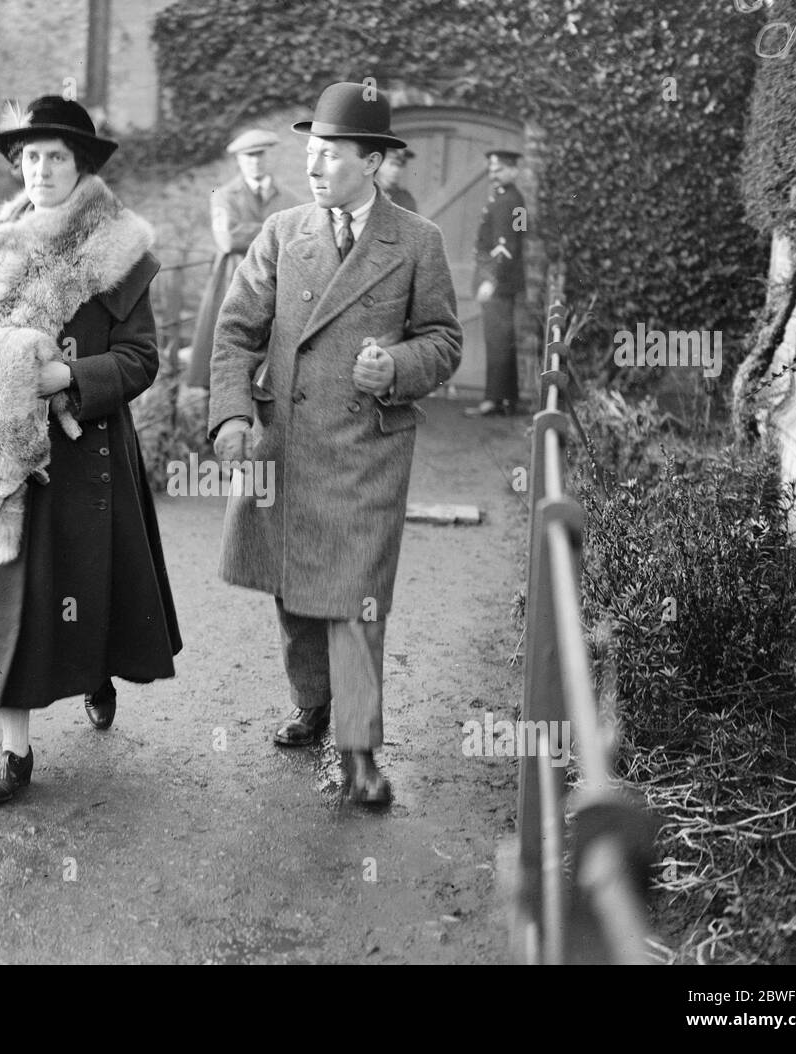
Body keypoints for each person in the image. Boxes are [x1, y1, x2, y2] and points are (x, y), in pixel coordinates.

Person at [207, 82, 462, 806]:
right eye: (310, 152)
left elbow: (444, 342)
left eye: (330, 154)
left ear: (374, 162)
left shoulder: (418, 241)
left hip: (367, 448)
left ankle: (358, 751)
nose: (314, 166)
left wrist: (399, 368)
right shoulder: (283, 234)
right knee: (294, 594)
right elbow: (235, 333)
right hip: (286, 445)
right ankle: (312, 702)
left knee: (356, 600)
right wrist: (231, 418)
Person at [0, 96, 182, 805]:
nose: (41, 169)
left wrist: (68, 375)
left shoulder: (120, 252)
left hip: (85, 450)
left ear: (82, 166)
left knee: (83, 587)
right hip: (5, 453)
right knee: (13, 598)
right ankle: (13, 752)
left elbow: (141, 359)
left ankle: (94, 668)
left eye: (57, 156)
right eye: (30, 156)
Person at [183, 129, 286, 390]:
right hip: (234, 275)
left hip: (276, 277)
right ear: (239, 160)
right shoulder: (225, 195)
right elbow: (227, 239)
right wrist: (274, 229)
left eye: (260, 154)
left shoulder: (286, 197)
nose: (255, 161)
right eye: (248, 156)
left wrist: (251, 229)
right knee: (232, 339)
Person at [465, 148, 526, 417]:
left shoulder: (507, 201)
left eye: (499, 169)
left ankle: (493, 400)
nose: (494, 174)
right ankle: (508, 399)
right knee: (504, 340)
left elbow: (507, 246)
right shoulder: (514, 199)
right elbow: (519, 236)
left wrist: (490, 280)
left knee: (497, 340)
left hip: (499, 282)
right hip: (507, 281)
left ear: (514, 171)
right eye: (491, 169)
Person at [378, 146, 417, 213]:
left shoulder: (405, 198)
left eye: (400, 165)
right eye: (392, 164)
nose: (396, 170)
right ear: (379, 163)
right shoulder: (365, 193)